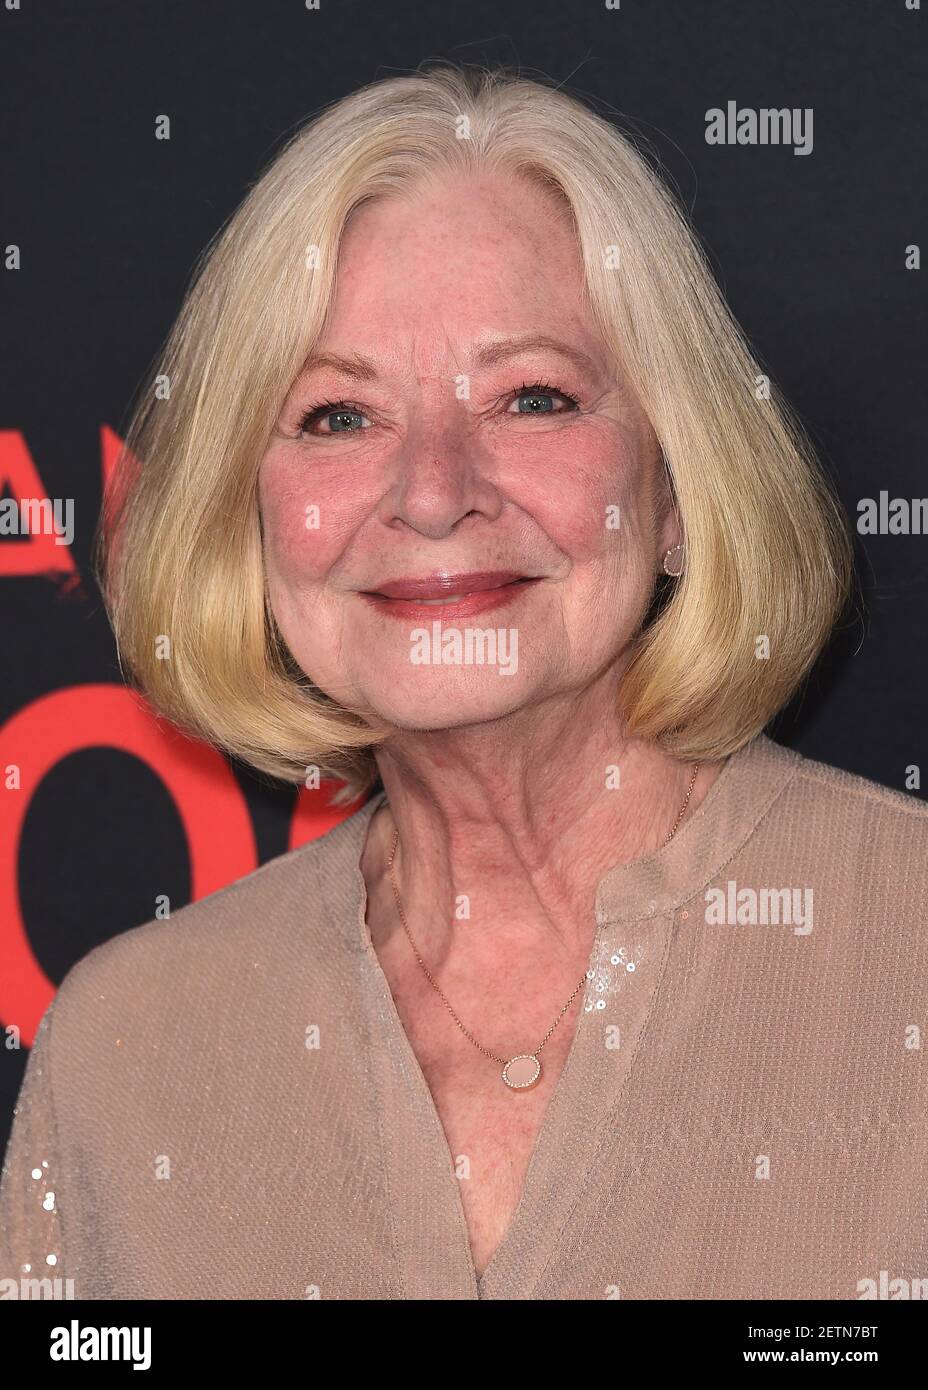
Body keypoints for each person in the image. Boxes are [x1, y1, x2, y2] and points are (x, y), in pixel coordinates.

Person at [2, 62, 926, 1301]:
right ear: (248, 512)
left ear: (677, 492)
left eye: (531, 397)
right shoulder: (126, 1055)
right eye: (337, 415)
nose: (434, 492)